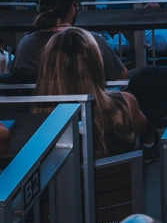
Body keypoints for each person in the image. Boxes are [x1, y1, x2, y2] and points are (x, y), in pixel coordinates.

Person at [35, 27, 145, 157]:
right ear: (96, 63)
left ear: (47, 67)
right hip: (115, 175)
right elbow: (141, 128)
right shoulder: (125, 104)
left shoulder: (37, 120)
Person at [12, 0, 127, 82]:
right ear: (73, 7)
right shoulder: (92, 42)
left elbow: (17, 74)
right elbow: (120, 75)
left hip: (38, 103)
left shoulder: (25, 44)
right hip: (85, 103)